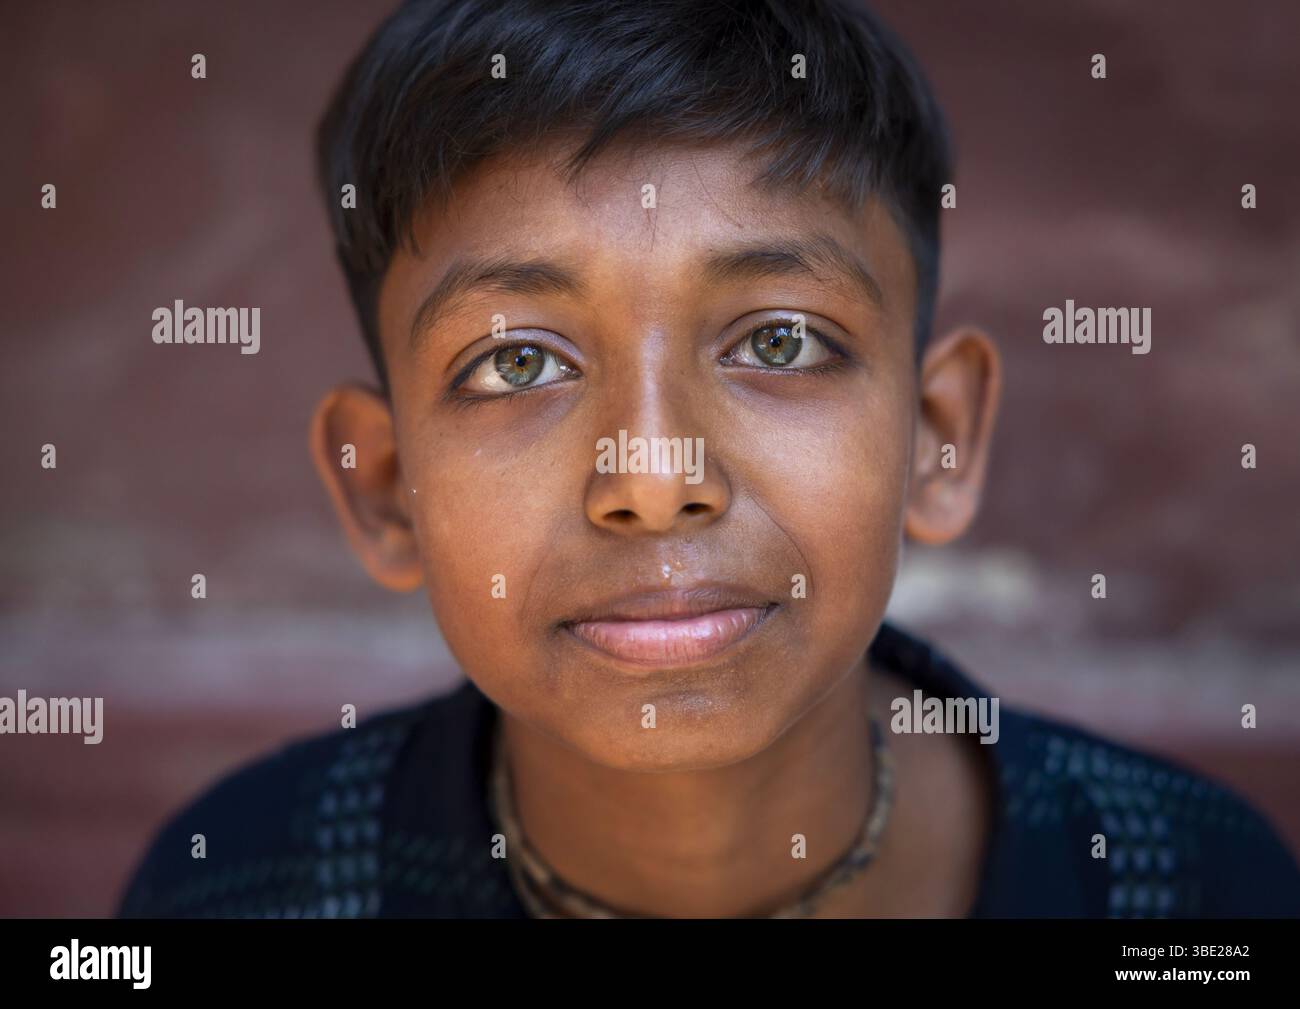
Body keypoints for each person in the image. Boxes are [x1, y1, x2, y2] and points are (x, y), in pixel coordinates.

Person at [117, 0, 1300, 918]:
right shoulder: (244, 887)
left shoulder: (1183, 887)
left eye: (779, 340)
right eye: (517, 363)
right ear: (386, 492)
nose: (650, 474)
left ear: (938, 440)